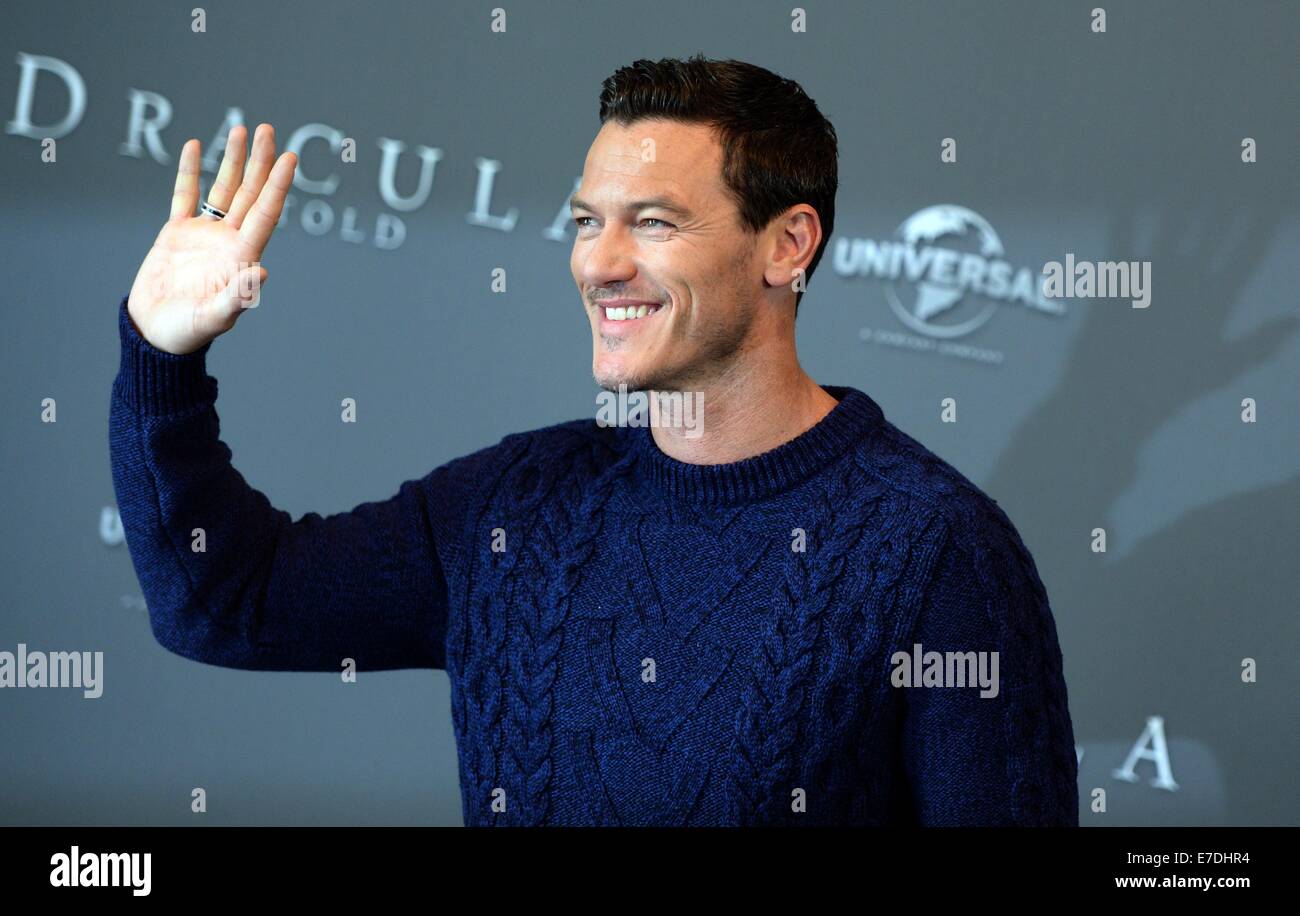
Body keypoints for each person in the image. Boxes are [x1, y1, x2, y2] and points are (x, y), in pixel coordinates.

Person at [110, 55, 1078, 826]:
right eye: (586, 222)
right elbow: (220, 599)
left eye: (652, 223)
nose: (600, 263)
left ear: (788, 244)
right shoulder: (512, 511)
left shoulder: (934, 548)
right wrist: (161, 352)